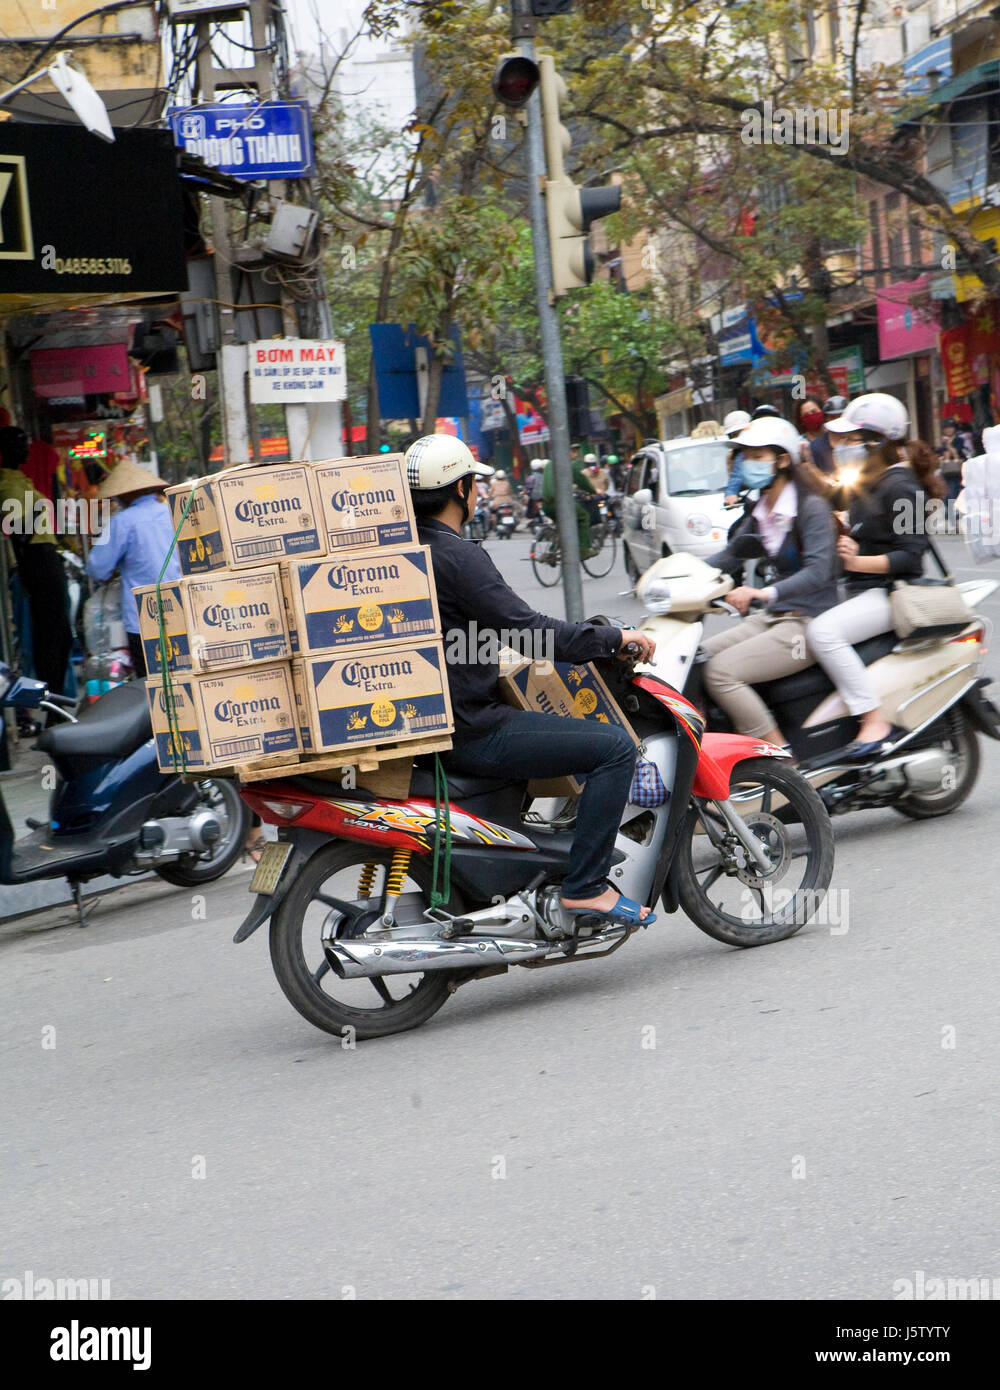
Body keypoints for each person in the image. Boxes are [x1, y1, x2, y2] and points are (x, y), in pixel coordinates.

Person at [405, 433, 657, 927]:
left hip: (433, 721)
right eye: (473, 482)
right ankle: (586, 887)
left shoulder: (404, 550)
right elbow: (529, 633)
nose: (476, 491)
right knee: (614, 749)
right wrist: (611, 640)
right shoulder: (458, 557)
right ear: (461, 490)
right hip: (472, 728)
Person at [806, 393, 947, 758]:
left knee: (823, 632)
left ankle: (874, 720)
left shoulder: (901, 486)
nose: (842, 448)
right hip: (864, 591)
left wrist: (857, 562)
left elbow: (910, 556)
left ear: (877, 442)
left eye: (851, 441)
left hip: (892, 594)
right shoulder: (870, 483)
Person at [699, 417, 838, 749]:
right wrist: (678, 572)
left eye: (758, 456)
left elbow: (819, 571)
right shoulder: (762, 509)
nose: (749, 464)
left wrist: (762, 592)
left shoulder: (811, 508)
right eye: (746, 457)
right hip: (774, 617)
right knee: (697, 657)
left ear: (783, 460)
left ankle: (779, 758)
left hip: (808, 622)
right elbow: (731, 554)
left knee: (720, 672)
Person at [86, 459, 181, 677]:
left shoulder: (124, 521)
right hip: (183, 608)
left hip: (144, 617)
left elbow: (97, 567)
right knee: (184, 675)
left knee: (151, 681)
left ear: (127, 494)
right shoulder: (173, 512)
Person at [0, 425, 73, 706]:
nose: (25, 449)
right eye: (17, 443)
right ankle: (50, 701)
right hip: (35, 558)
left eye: (25, 442)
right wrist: (36, 512)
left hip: (46, 554)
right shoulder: (6, 483)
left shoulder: (19, 478)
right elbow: (18, 532)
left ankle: (54, 699)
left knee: (60, 634)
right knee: (50, 634)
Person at [541, 451, 597, 558]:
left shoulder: (549, 464)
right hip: (559, 504)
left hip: (546, 505)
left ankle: (552, 551)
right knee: (583, 517)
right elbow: (582, 482)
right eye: (573, 451)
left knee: (561, 526)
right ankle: (584, 549)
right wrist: (593, 491)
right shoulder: (567, 464)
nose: (576, 455)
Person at [722, 409, 752, 504]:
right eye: (734, 434)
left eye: (741, 432)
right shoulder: (734, 456)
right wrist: (731, 494)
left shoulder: (762, 446)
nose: (738, 436)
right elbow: (735, 477)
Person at [799, 396, 835, 474]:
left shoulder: (834, 433)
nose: (811, 416)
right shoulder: (800, 444)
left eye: (814, 412)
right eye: (806, 415)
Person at [937, 419, 968, 502]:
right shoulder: (943, 442)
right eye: (946, 428)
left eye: (950, 427)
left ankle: (955, 513)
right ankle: (951, 513)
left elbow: (957, 452)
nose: (948, 430)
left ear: (954, 428)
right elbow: (942, 454)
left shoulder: (959, 440)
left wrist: (949, 446)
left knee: (954, 493)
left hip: (957, 471)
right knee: (947, 495)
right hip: (946, 472)